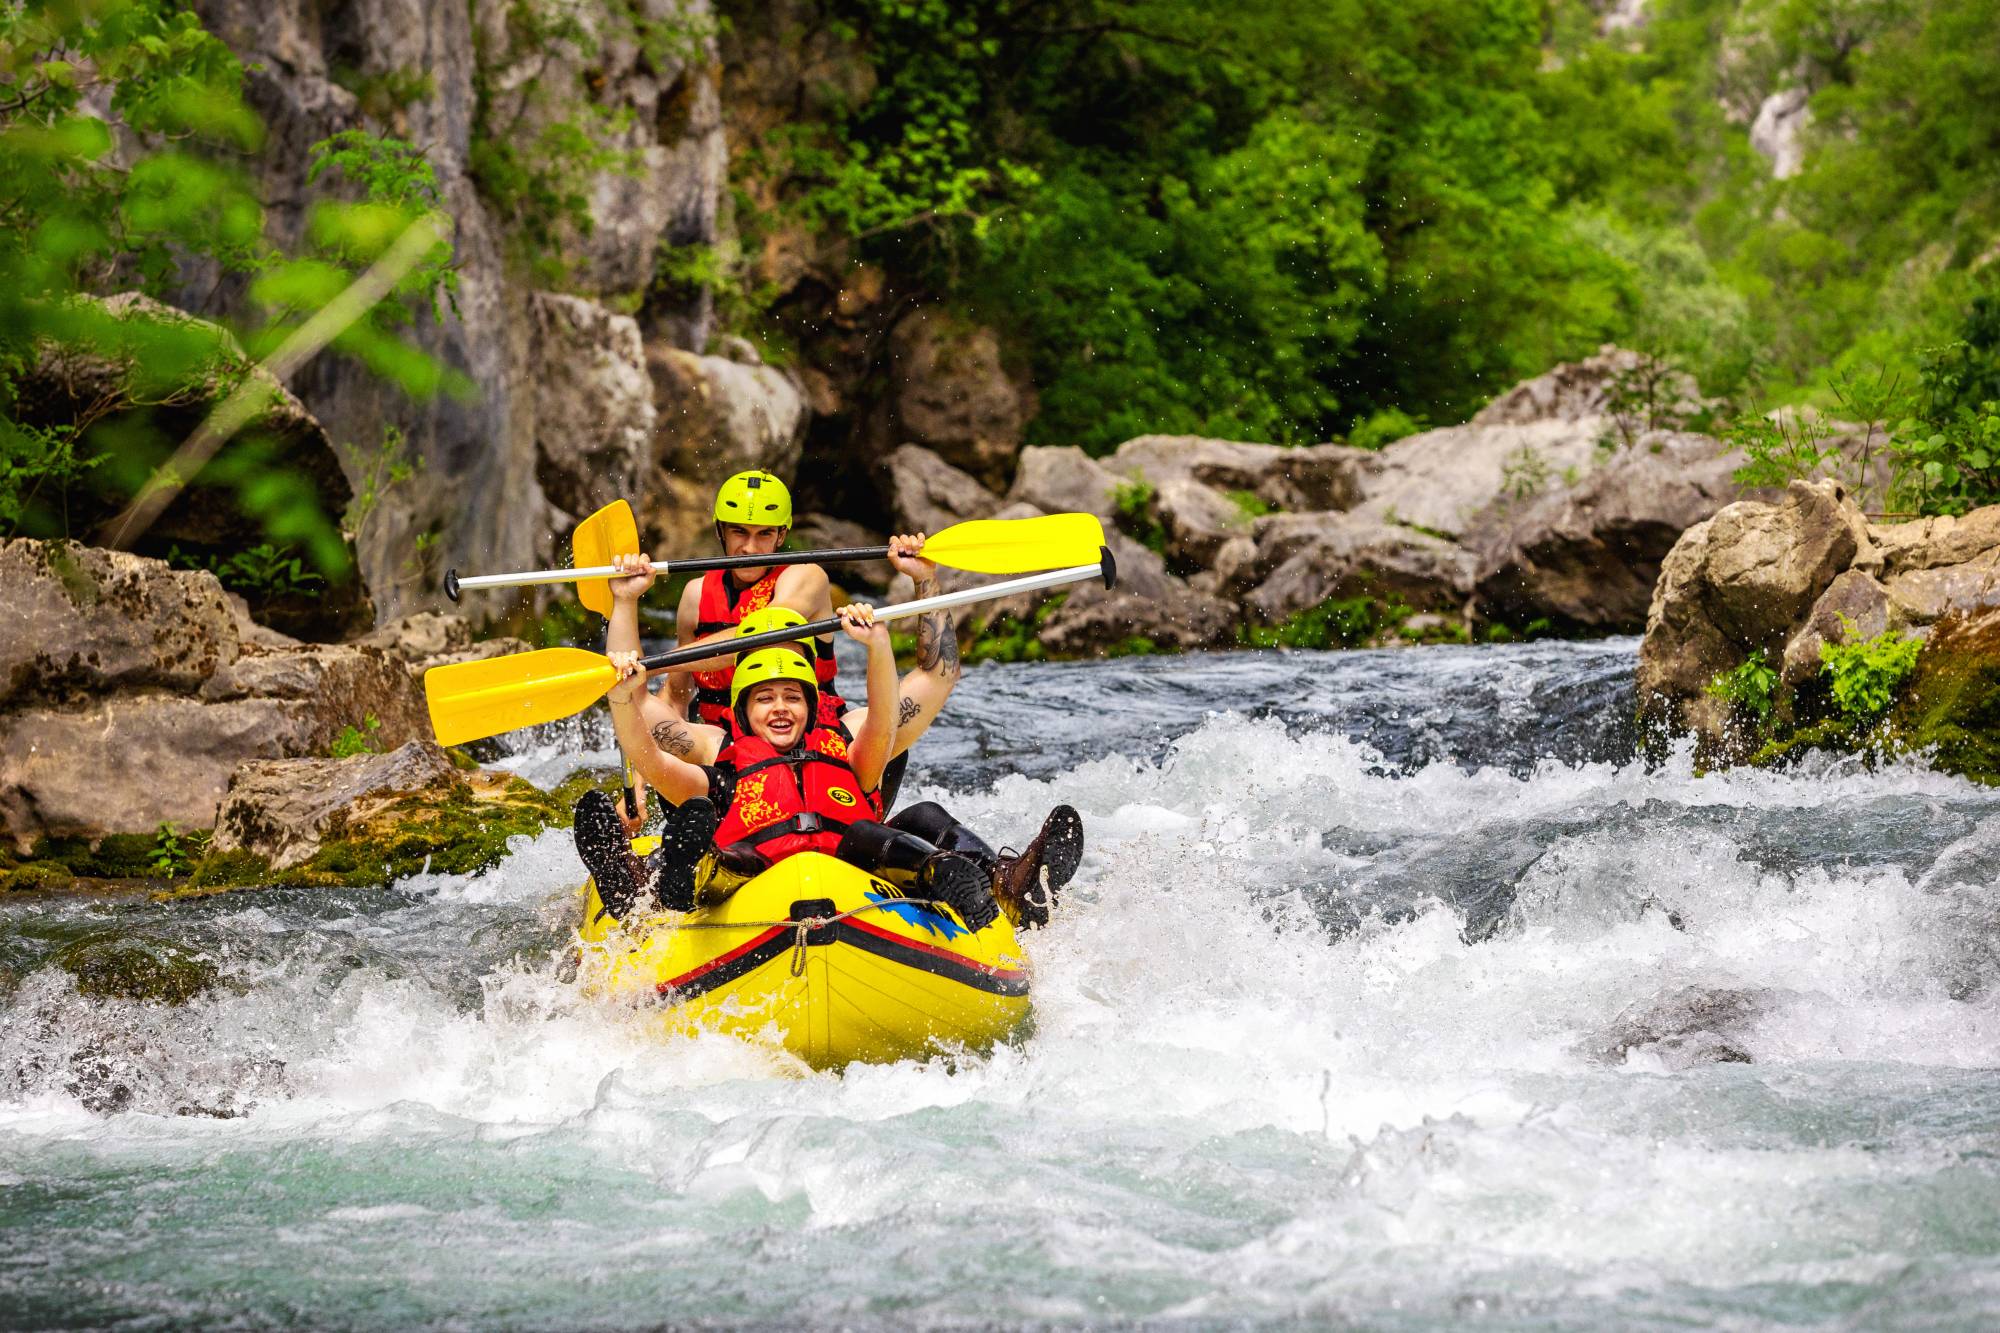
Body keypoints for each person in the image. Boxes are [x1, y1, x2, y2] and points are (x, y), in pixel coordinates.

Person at [573, 535, 1083, 930]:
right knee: (699, 828)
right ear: (743, 694)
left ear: (811, 692)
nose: (779, 707)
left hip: (854, 859)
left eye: (792, 694)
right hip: (753, 866)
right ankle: (652, 882)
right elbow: (640, 718)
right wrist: (625, 608)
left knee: (921, 816)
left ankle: (1000, 884)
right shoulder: (715, 745)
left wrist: (920, 586)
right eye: (765, 695)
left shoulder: (848, 734)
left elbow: (935, 676)